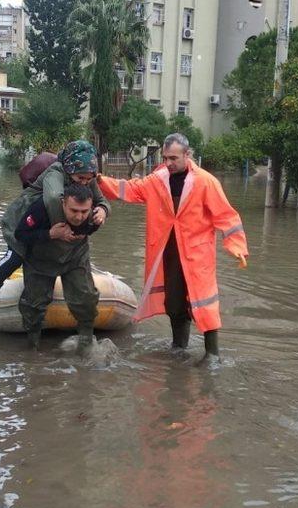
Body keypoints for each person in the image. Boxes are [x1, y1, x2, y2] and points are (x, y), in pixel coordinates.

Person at [98, 132, 249, 364]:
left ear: (187, 155)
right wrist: (98, 180)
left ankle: (212, 354)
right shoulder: (157, 180)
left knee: (205, 303)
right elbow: (129, 189)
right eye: (165, 157)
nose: (168, 163)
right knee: (174, 302)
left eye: (173, 158)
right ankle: (179, 347)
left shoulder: (205, 182)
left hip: (197, 255)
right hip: (168, 252)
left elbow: (226, 216)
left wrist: (237, 246)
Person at [0, 141, 108, 308]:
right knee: (15, 256)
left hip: (51, 221)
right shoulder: (55, 173)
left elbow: (101, 200)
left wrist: (103, 209)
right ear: (70, 170)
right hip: (27, 219)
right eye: (81, 178)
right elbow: (54, 198)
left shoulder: (85, 177)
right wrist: (61, 233)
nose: (84, 182)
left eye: (88, 178)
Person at [2, 183, 100, 351]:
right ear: (62, 203)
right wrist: (50, 234)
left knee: (86, 298)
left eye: (84, 211)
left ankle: (86, 344)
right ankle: (32, 347)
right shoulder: (41, 208)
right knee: (33, 304)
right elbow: (21, 234)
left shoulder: (95, 216)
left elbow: (90, 228)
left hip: (74, 258)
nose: (78, 217)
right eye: (73, 210)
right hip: (41, 259)